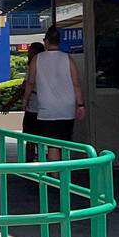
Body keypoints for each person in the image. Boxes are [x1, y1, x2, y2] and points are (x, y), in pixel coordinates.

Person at [23, 24, 84, 158]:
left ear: (46, 41)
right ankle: (64, 173)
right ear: (59, 41)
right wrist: (80, 104)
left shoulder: (37, 59)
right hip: (67, 108)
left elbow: (30, 82)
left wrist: (25, 99)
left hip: (47, 108)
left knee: (52, 144)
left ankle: (55, 176)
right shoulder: (68, 59)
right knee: (65, 142)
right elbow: (76, 84)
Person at [20, 41, 45, 141]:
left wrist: (24, 100)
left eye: (30, 50)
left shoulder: (32, 65)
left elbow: (27, 84)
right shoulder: (47, 65)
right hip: (47, 107)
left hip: (33, 106)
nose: (28, 53)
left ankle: (30, 156)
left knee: (29, 135)